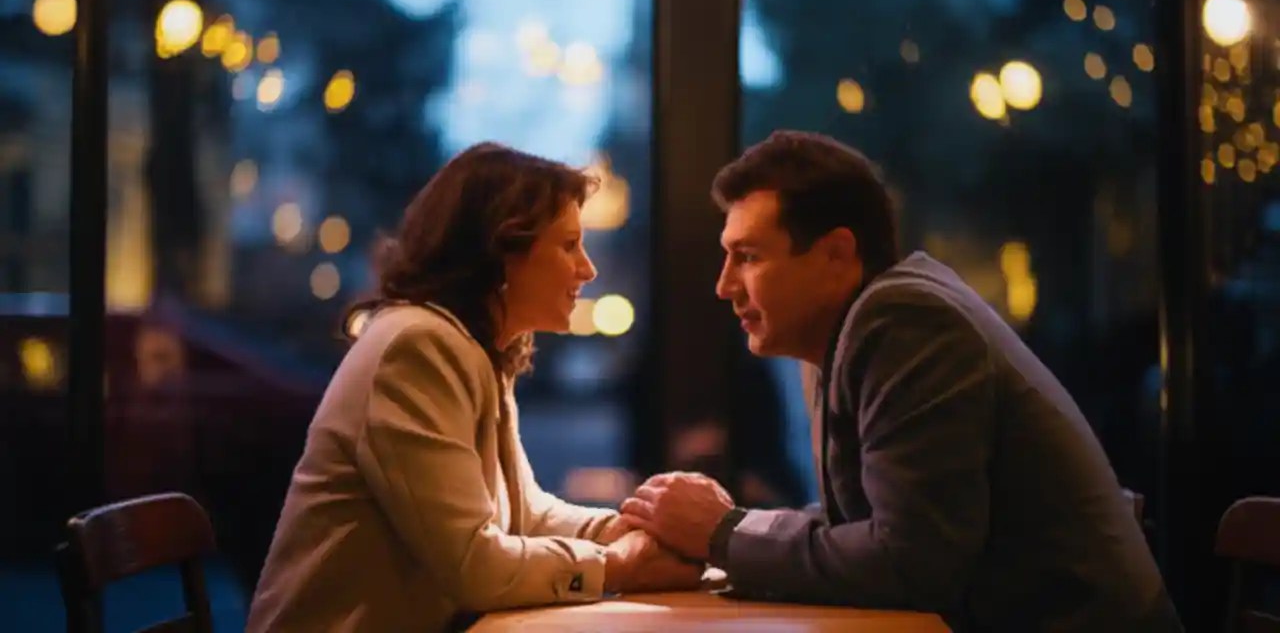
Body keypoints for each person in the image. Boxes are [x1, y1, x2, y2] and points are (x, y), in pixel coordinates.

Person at [620, 131, 1183, 631]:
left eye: (747, 257)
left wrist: (723, 533)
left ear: (837, 254)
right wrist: (727, 530)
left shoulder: (903, 320)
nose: (724, 286)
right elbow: (870, 531)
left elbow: (910, 562)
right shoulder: (845, 336)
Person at [247, 142, 701, 633]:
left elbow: (525, 512)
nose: (587, 269)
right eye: (569, 245)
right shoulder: (418, 347)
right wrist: (617, 564)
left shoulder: (472, 347)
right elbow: (474, 564)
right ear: (503, 251)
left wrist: (625, 529)